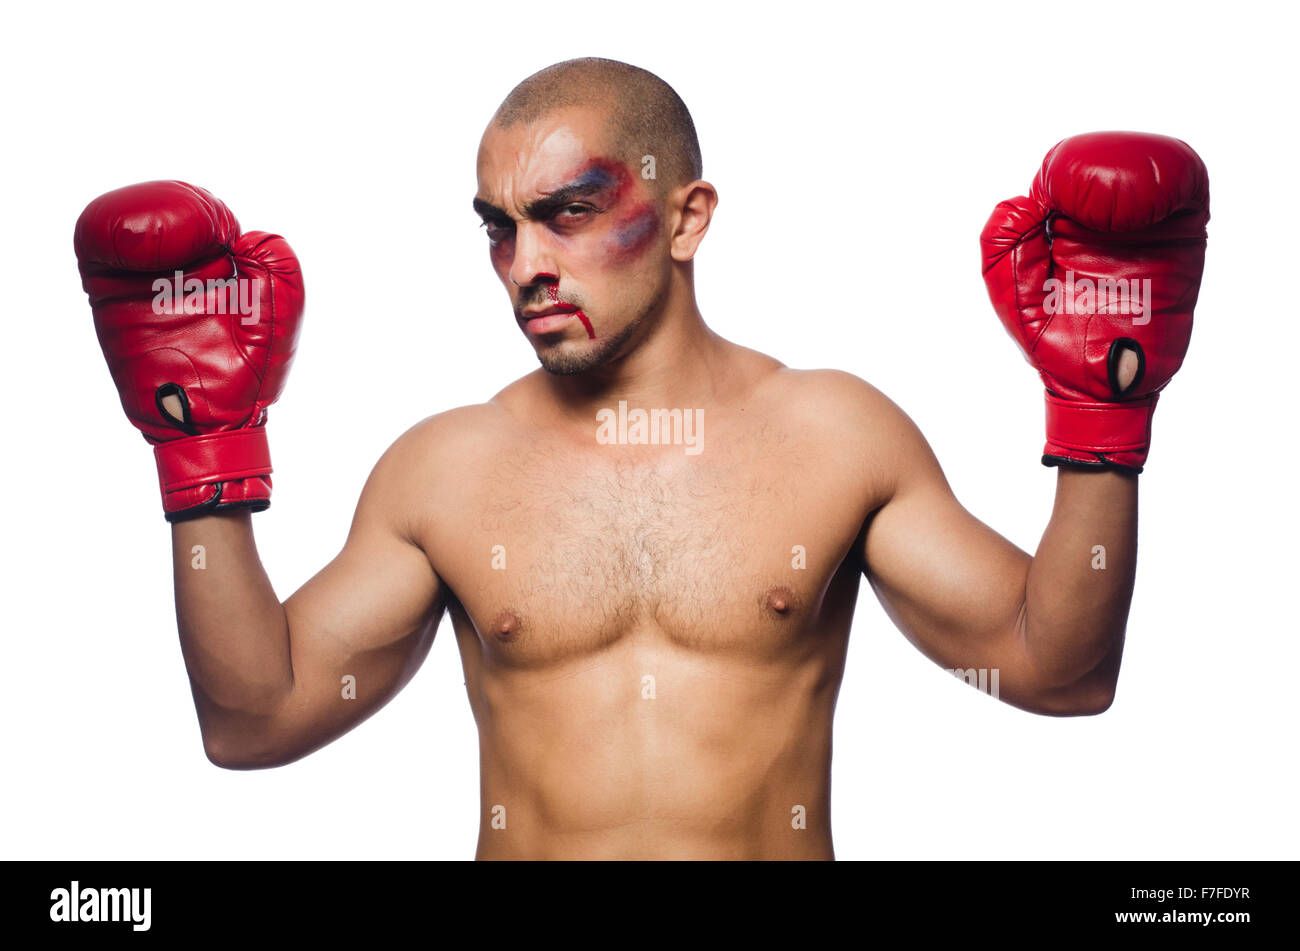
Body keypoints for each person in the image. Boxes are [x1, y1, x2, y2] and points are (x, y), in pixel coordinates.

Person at [74, 57, 1208, 860]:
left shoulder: (835, 434)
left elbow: (1058, 672)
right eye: (498, 227)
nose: (524, 263)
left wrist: (1100, 415)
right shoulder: (446, 469)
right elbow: (254, 722)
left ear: (686, 216)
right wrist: (200, 455)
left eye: (566, 214)